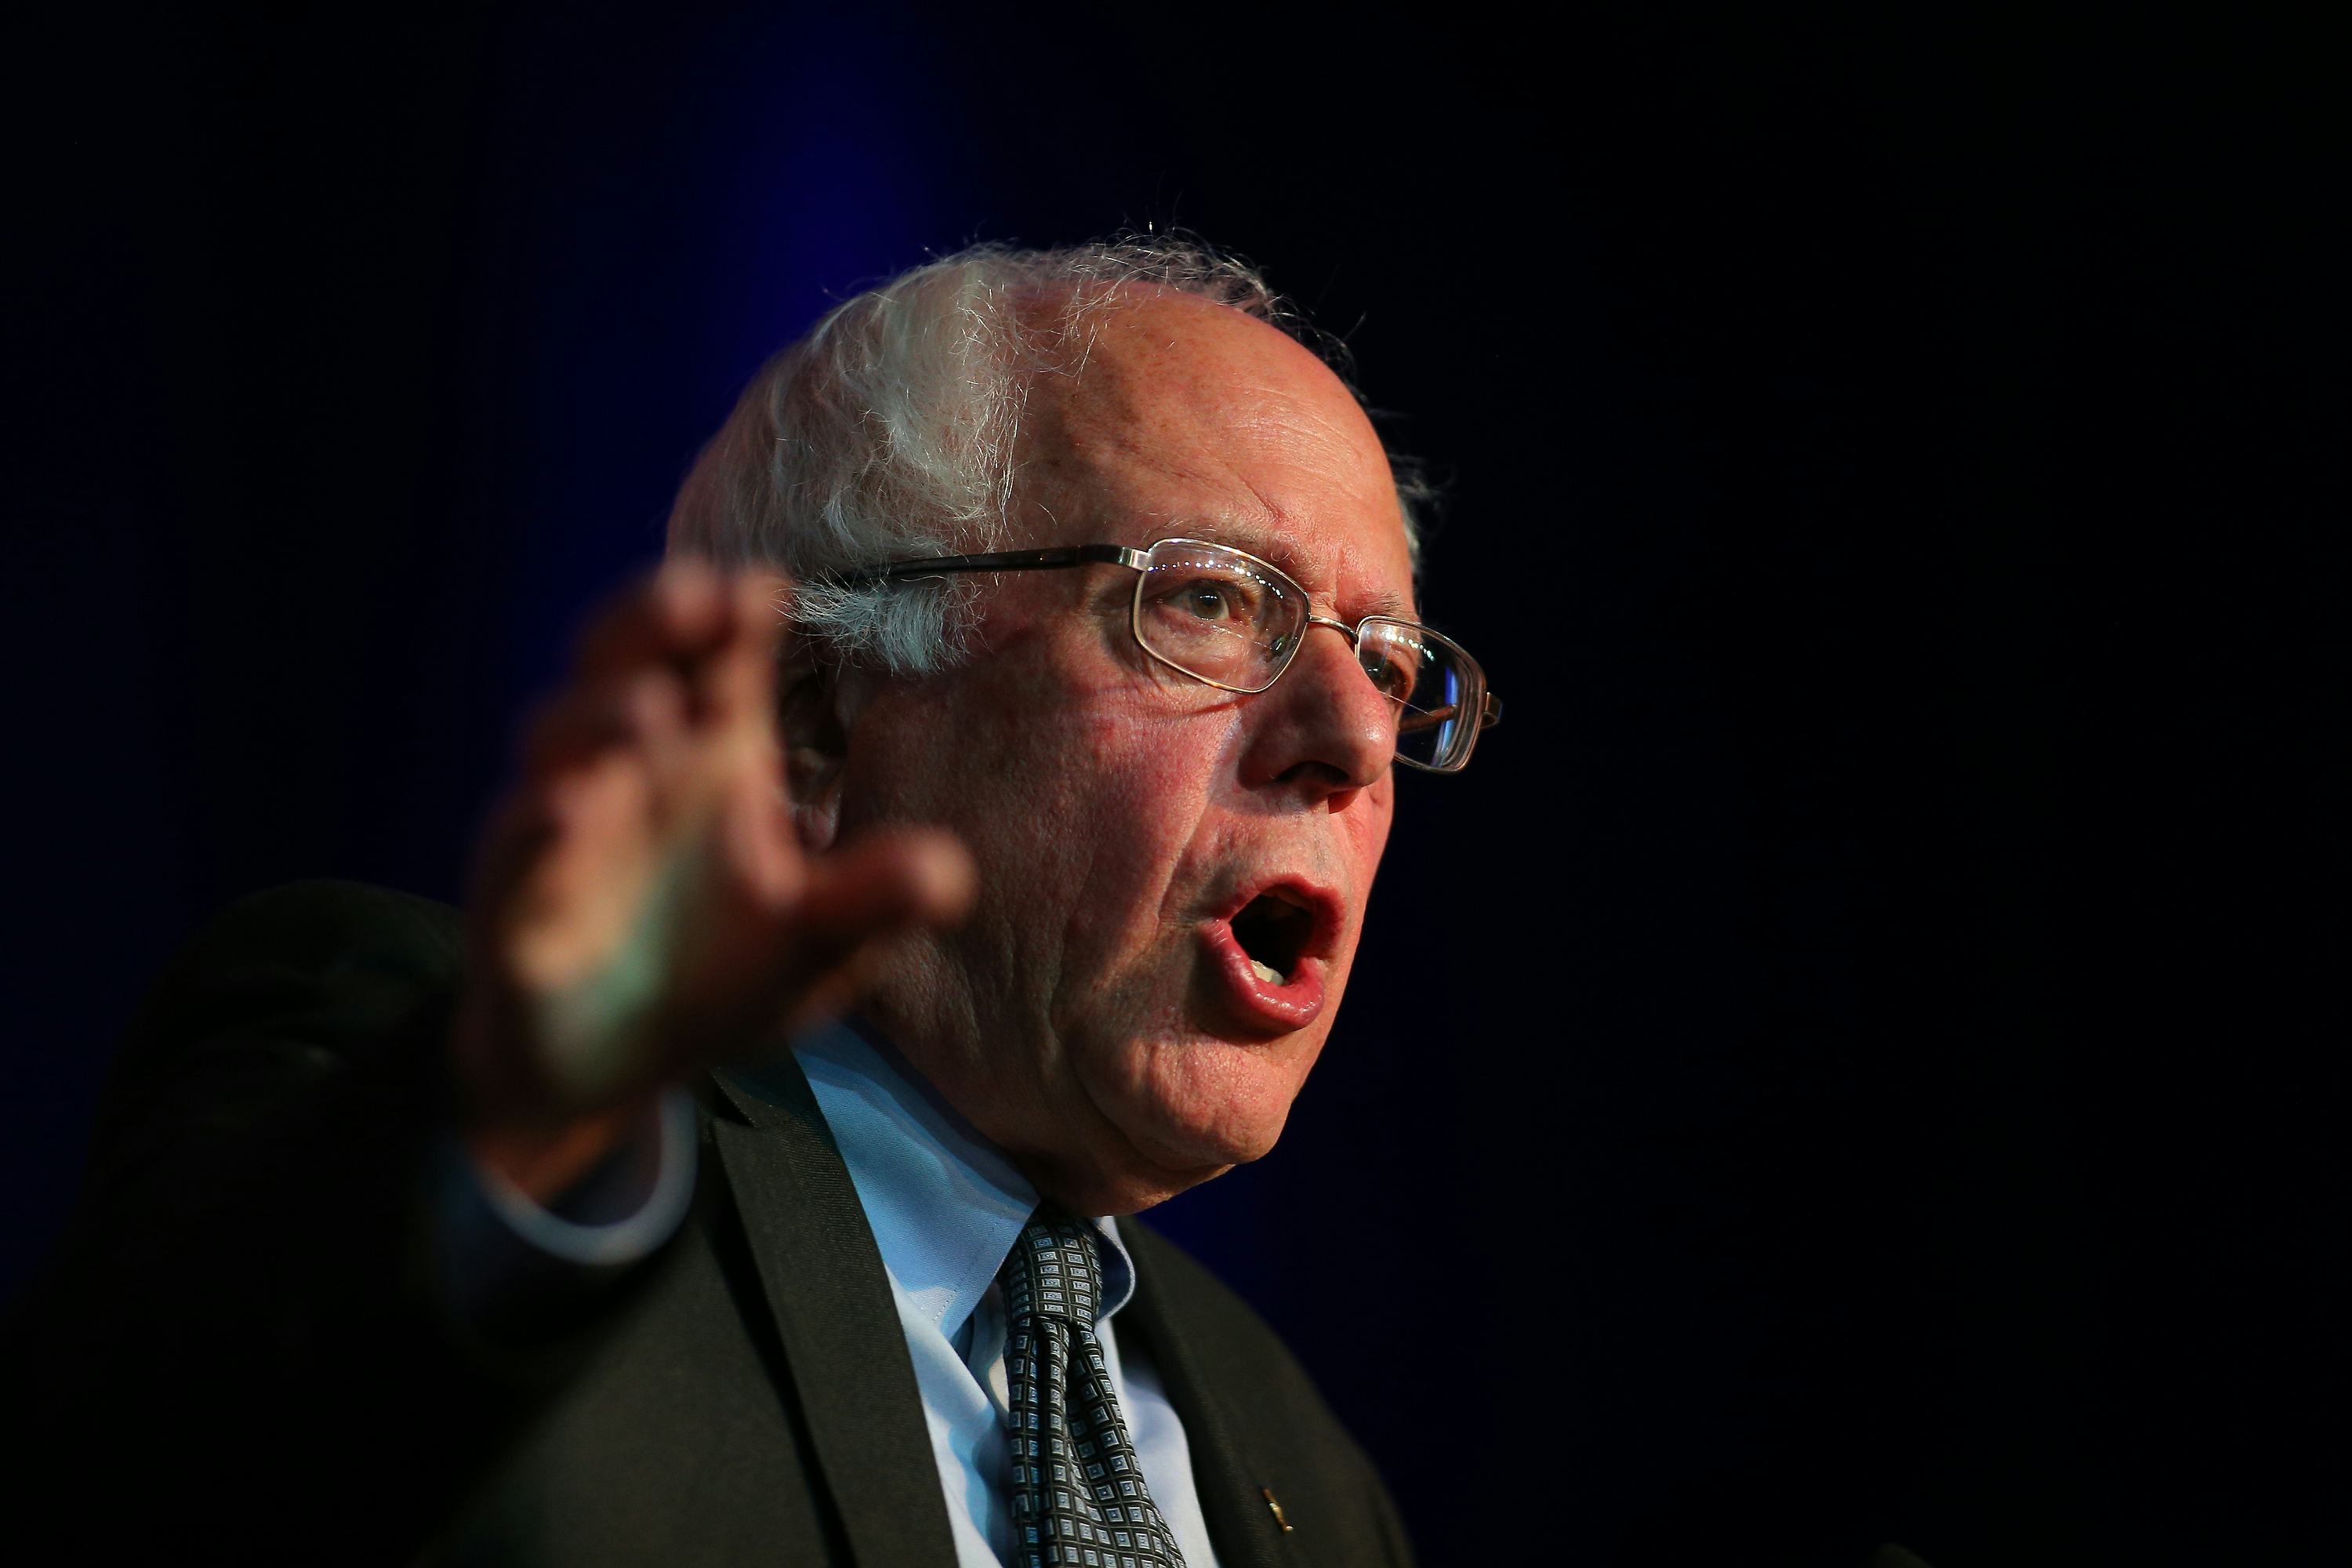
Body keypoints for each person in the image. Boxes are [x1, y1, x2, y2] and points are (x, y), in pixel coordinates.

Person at [2, 240, 1498, 1565]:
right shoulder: (490, 1131)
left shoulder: (1295, 1456)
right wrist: (520, 1126)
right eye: (1211, 600)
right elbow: (148, 1482)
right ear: (815, 716)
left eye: (1386, 661)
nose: (1356, 741)